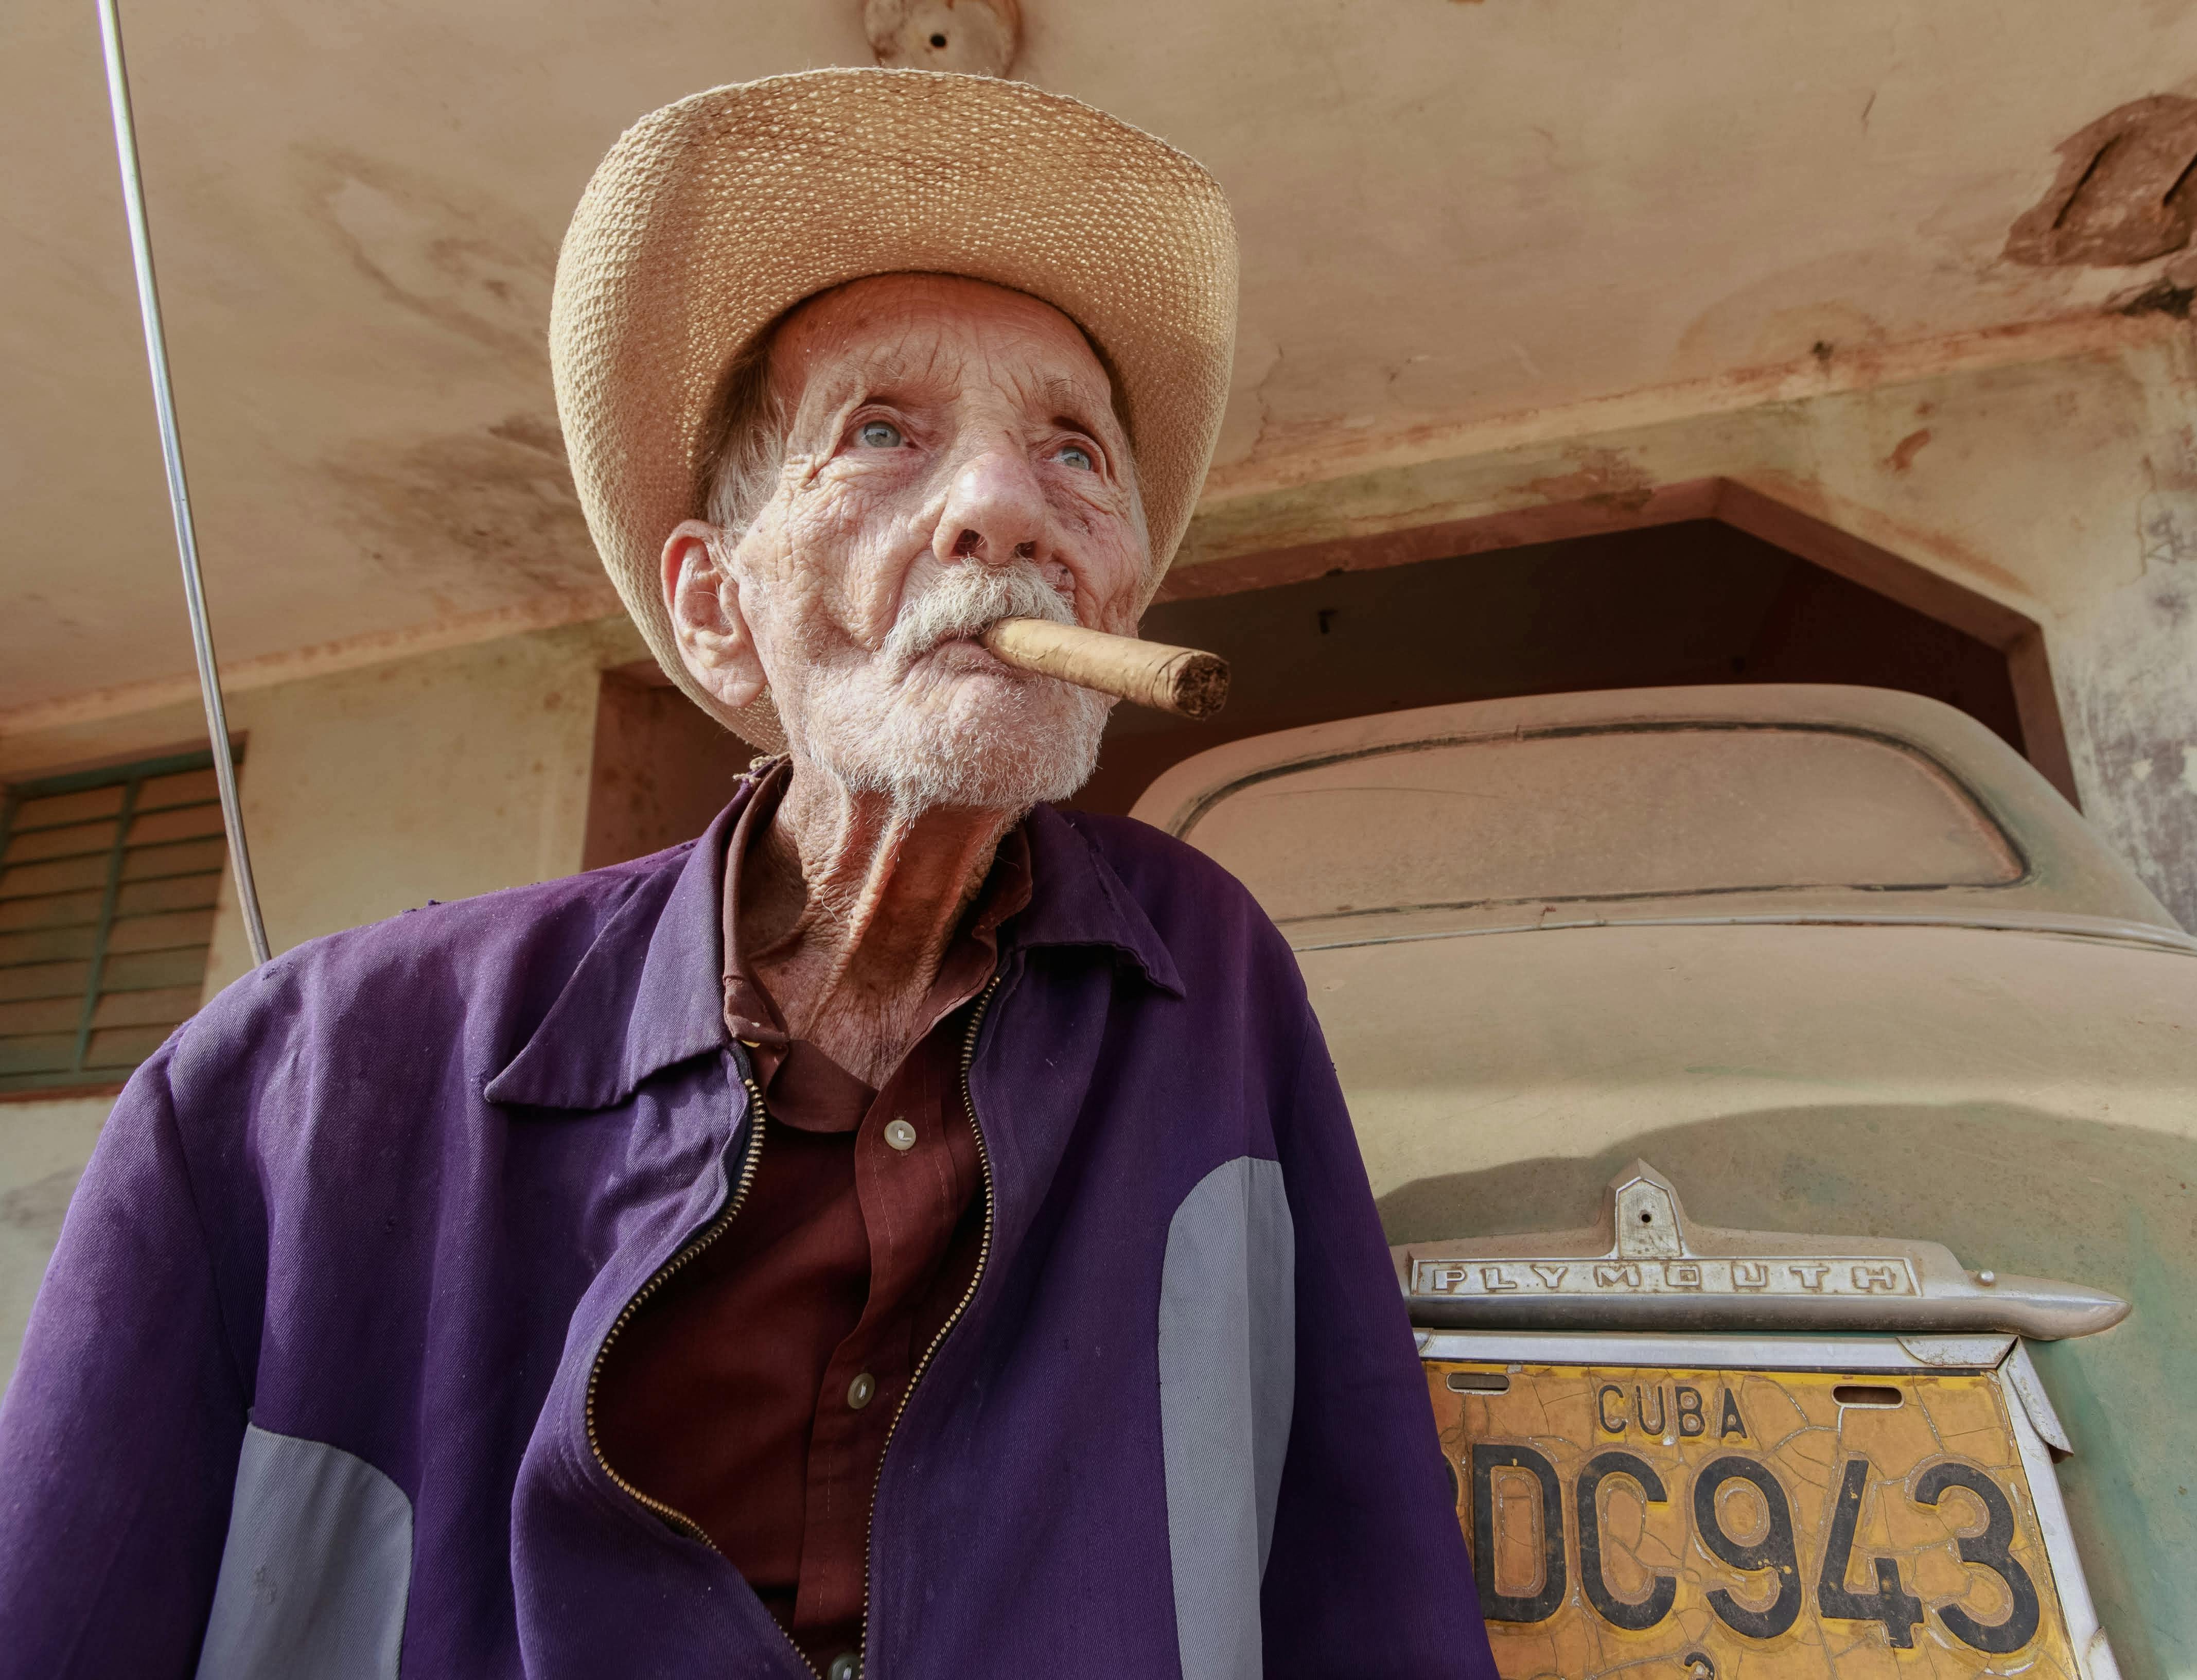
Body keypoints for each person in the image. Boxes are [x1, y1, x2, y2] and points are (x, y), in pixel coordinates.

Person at [0, 68, 1496, 1680]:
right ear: (717, 606)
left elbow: (1358, 1542)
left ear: (1123, 590)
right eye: (880, 431)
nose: (1006, 506)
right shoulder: (293, 1079)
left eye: (1075, 452)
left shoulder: (1201, 970)